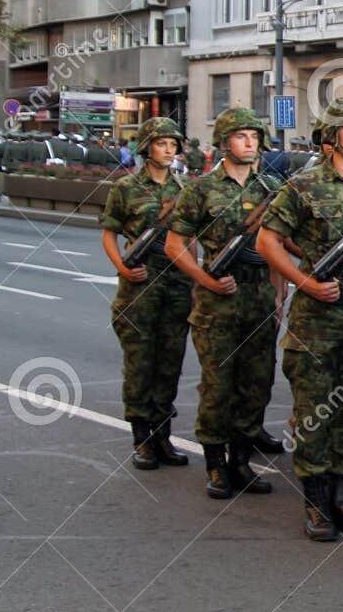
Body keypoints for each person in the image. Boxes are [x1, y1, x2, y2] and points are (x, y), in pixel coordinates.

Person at [258, 96, 343, 541]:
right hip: (317, 315)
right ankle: (316, 504)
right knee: (315, 411)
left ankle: (342, 498)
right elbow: (267, 242)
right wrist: (305, 282)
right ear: (330, 138)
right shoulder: (303, 186)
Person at [164, 107, 282, 500]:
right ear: (224, 143)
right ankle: (216, 464)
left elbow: (276, 247)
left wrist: (279, 293)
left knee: (257, 384)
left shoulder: (271, 190)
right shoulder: (200, 190)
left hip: (259, 297)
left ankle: (242, 461)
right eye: (241, 136)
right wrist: (205, 279)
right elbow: (174, 244)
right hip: (218, 304)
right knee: (218, 386)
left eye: (254, 137)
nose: (250, 143)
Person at [98, 117, 194, 472]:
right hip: (139, 288)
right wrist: (121, 267)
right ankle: (142, 440)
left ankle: (163, 436)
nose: (169, 151)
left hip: (175, 288)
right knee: (140, 366)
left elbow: (189, 241)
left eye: (173, 145)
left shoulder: (184, 189)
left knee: (169, 365)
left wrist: (194, 280)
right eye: (162, 144)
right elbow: (109, 233)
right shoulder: (125, 187)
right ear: (146, 148)